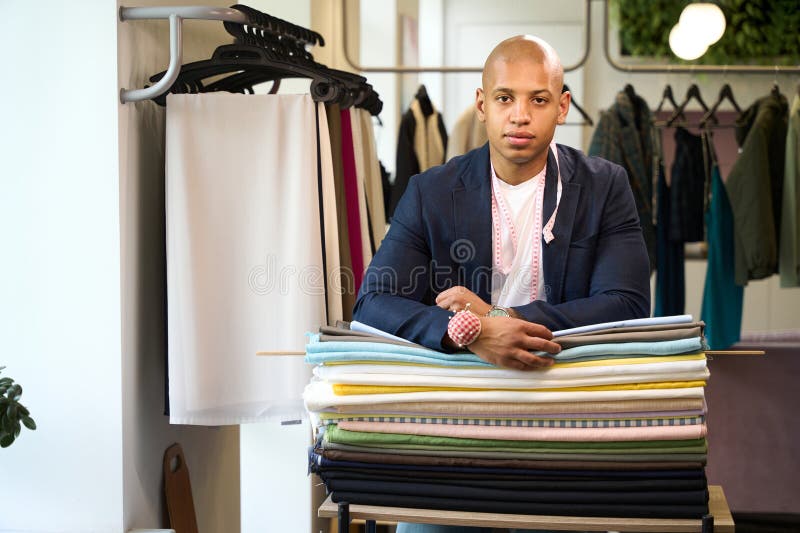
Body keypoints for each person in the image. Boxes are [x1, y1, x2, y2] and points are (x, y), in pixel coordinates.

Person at [352, 35, 651, 533]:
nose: (520, 116)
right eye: (505, 98)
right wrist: (466, 332)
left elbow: (627, 304)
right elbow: (373, 302)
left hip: (565, 421)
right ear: (482, 104)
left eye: (539, 100)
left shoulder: (604, 186)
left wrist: (499, 317)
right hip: (453, 428)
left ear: (562, 107)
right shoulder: (430, 191)